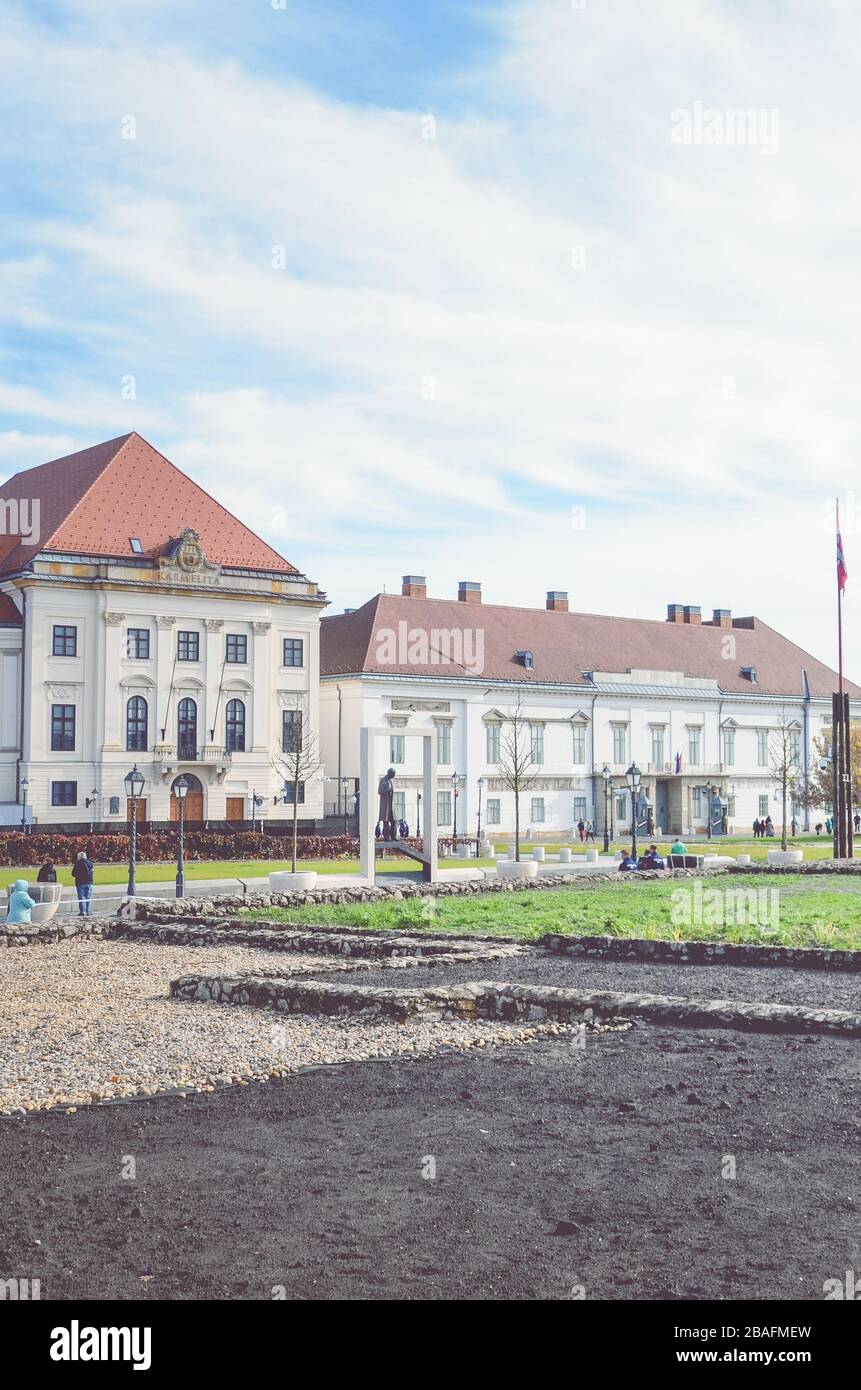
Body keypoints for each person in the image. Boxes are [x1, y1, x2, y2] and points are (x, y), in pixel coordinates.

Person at [71, 850, 94, 916]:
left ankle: (82, 911)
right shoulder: (90, 863)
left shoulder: (77, 864)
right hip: (89, 882)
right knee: (88, 897)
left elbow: (73, 874)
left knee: (81, 898)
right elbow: (92, 872)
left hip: (80, 882)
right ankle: (88, 911)